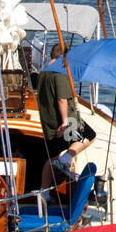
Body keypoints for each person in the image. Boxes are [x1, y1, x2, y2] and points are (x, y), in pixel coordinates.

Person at [36, 58, 96, 188]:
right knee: (89, 135)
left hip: (48, 122)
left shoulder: (43, 74)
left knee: (51, 157)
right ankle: (65, 160)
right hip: (65, 121)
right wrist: (65, 122)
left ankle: (44, 193)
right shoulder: (59, 74)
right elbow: (62, 99)